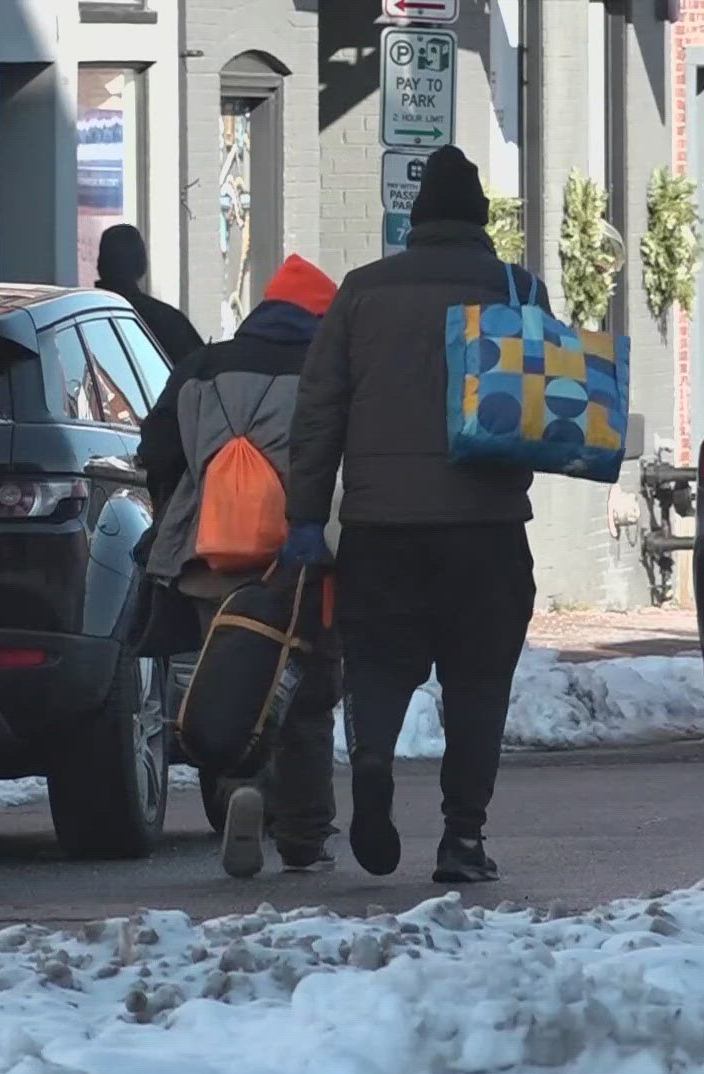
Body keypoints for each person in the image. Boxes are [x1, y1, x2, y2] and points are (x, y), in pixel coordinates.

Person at [283, 146, 546, 885]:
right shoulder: (517, 289)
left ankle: (371, 758)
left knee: (374, 664)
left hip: (380, 529)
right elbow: (541, 408)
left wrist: (307, 515)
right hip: (487, 533)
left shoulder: (361, 293)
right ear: (482, 221)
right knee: (477, 685)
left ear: (418, 219)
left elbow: (318, 411)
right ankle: (462, 839)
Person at [140, 254, 342, 879]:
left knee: (227, 683)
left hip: (212, 558)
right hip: (302, 561)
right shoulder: (328, 372)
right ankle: (305, 834)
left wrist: (187, 507)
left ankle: (236, 799)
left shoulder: (201, 367)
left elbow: (156, 451)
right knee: (306, 696)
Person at [96, 224, 205, 365]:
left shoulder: (82, 315)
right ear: (141, 264)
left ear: (100, 264)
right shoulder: (167, 321)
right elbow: (201, 372)